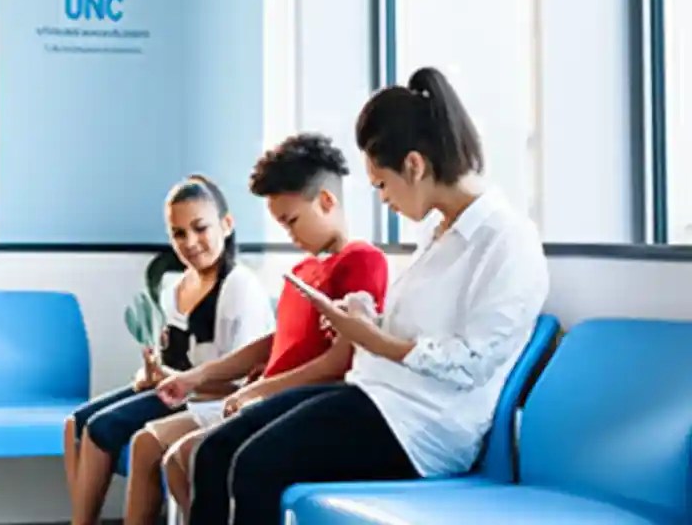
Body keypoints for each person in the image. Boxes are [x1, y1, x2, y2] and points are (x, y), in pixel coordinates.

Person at [186, 66, 550, 525]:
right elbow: (411, 333)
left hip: (422, 428)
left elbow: (471, 364)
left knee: (255, 467)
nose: (382, 199)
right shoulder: (438, 234)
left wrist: (371, 338)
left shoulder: (507, 241)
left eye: (381, 183)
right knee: (215, 450)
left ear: (414, 165)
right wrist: (363, 318)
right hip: (374, 394)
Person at [149, 134, 389, 522]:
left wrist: (259, 390)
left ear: (326, 201)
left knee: (200, 454)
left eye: (292, 221)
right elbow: (277, 342)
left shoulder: (361, 260)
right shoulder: (302, 270)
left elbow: (341, 360)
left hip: (303, 404)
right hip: (266, 400)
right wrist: (200, 376)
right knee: (180, 459)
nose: (290, 235)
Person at [62, 174, 272, 525]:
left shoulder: (239, 288)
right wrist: (151, 374)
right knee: (75, 424)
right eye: (178, 233)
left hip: (212, 397)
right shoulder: (177, 287)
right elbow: (174, 362)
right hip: (181, 389)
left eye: (200, 228)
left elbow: (238, 382)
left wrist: (175, 379)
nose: (190, 242)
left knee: (101, 429)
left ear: (226, 224)